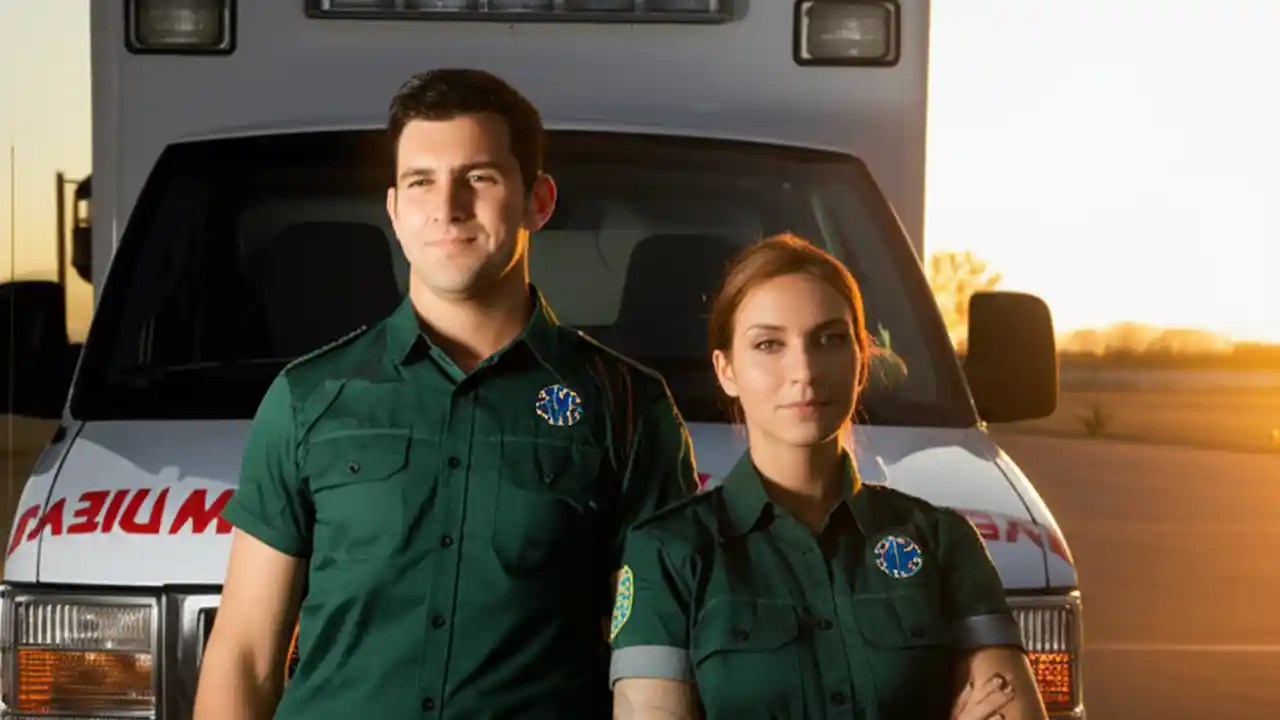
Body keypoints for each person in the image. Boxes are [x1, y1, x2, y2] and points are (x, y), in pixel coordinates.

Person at [194, 68, 698, 719]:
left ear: (538, 200)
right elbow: (244, 656)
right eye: (420, 182)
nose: (447, 207)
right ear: (394, 210)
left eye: (479, 178)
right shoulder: (306, 398)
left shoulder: (628, 406)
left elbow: (656, 659)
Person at [608, 234, 1047, 719]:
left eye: (830, 339)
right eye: (769, 344)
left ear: (862, 360)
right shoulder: (670, 554)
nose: (805, 370)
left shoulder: (943, 544)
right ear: (726, 369)